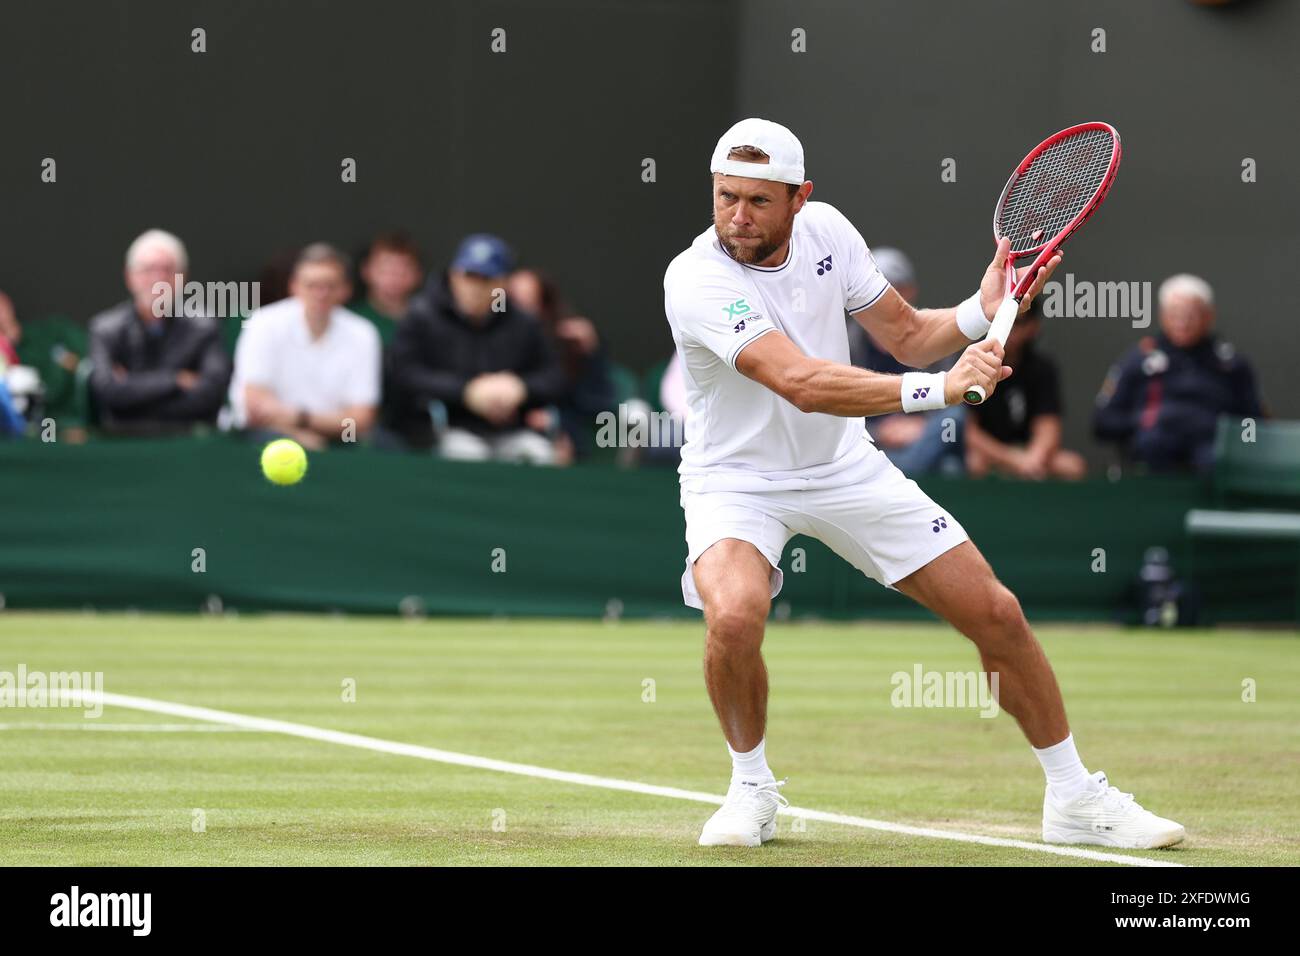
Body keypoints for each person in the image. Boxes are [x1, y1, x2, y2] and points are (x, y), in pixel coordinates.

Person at [664, 118, 1183, 849]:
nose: (737, 217)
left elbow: (905, 333)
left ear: (800, 199)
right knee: (736, 615)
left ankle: (1073, 796)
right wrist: (940, 391)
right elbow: (801, 382)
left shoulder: (829, 233)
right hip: (735, 481)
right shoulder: (696, 278)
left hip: (843, 466)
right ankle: (751, 787)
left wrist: (981, 307)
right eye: (725, 198)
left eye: (757, 201)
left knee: (996, 612)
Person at [389, 234, 566, 463]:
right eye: (469, 277)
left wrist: (520, 388)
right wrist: (466, 391)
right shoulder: (421, 316)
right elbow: (404, 374)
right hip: (444, 429)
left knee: (538, 454)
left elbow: (554, 377)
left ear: (503, 283)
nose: (475, 287)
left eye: (486, 279)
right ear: (453, 275)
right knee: (468, 454)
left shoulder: (523, 322)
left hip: (510, 430)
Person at [1092, 274, 1262, 473]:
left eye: (1191, 314)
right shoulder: (1138, 359)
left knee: (1217, 458)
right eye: (1175, 314)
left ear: (1209, 316)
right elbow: (1103, 421)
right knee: (1153, 444)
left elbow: (1253, 422)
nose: (1183, 322)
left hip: (1213, 457)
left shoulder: (1232, 365)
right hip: (1153, 455)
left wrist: (1239, 443)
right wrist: (1146, 422)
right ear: (1162, 315)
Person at [229, 243, 381, 450]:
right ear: (294, 287)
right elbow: (255, 407)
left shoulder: (363, 333)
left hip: (340, 438)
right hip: (267, 434)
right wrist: (298, 435)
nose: (321, 294)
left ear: (346, 290)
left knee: (374, 443)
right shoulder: (263, 323)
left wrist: (301, 418)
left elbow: (360, 421)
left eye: (330, 286)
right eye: (311, 285)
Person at [87, 229, 230, 434]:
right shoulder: (105, 329)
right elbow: (107, 392)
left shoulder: (205, 327)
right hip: (123, 443)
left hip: (187, 442)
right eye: (148, 269)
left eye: (168, 270)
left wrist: (131, 389)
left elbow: (210, 395)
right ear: (130, 277)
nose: (159, 279)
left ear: (183, 278)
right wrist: (176, 380)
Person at [847, 247, 963, 476]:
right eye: (875, 288)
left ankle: (898, 476)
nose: (881, 297)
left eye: (893, 288)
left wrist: (921, 426)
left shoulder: (933, 335)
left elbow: (953, 399)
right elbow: (833, 404)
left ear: (910, 291)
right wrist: (878, 432)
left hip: (922, 445)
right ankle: (900, 477)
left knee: (953, 432)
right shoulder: (847, 341)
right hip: (866, 448)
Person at [964, 300, 1086, 479]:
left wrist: (1033, 458)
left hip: (1028, 453)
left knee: (1073, 466)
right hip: (991, 454)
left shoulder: (1042, 368)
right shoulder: (975, 364)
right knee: (974, 462)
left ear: (1033, 327)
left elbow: (1048, 427)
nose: (1009, 329)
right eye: (1001, 321)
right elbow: (969, 432)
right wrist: (1011, 459)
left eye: (1017, 323)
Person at [505, 268, 615, 463]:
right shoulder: (495, 341)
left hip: (565, 443)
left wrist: (556, 421)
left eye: (528, 301)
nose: (521, 310)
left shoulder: (570, 345)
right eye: (514, 300)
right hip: (506, 438)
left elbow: (596, 405)